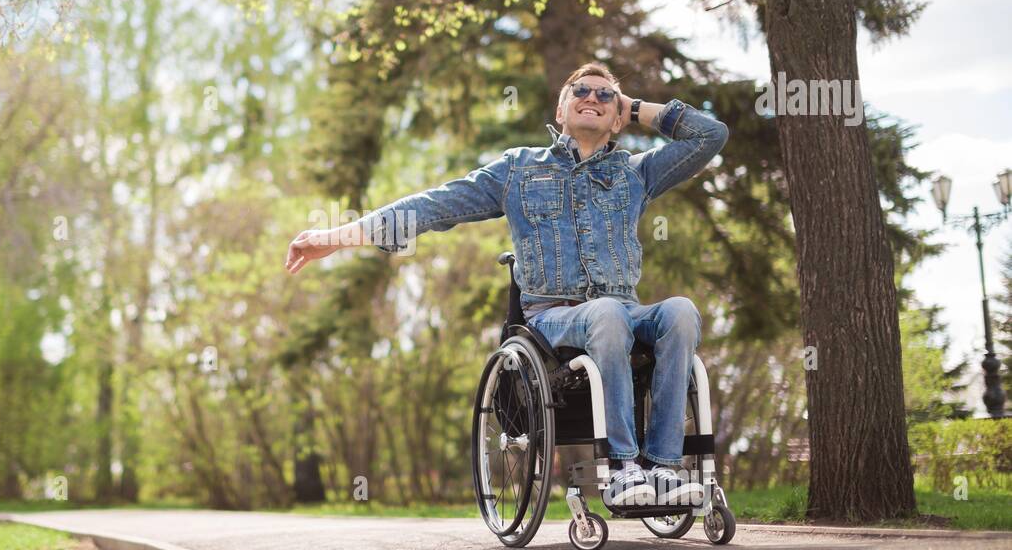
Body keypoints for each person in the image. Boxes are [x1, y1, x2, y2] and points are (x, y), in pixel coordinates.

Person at [285, 62, 729, 509]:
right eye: (580, 90)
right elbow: (435, 205)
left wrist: (632, 107)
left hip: (624, 308)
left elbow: (709, 136)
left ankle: (663, 468)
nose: (592, 97)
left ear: (618, 118)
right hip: (552, 316)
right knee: (607, 314)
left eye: (604, 95)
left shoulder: (636, 173)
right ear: (560, 110)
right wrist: (336, 237)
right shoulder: (519, 169)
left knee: (680, 311)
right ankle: (623, 467)